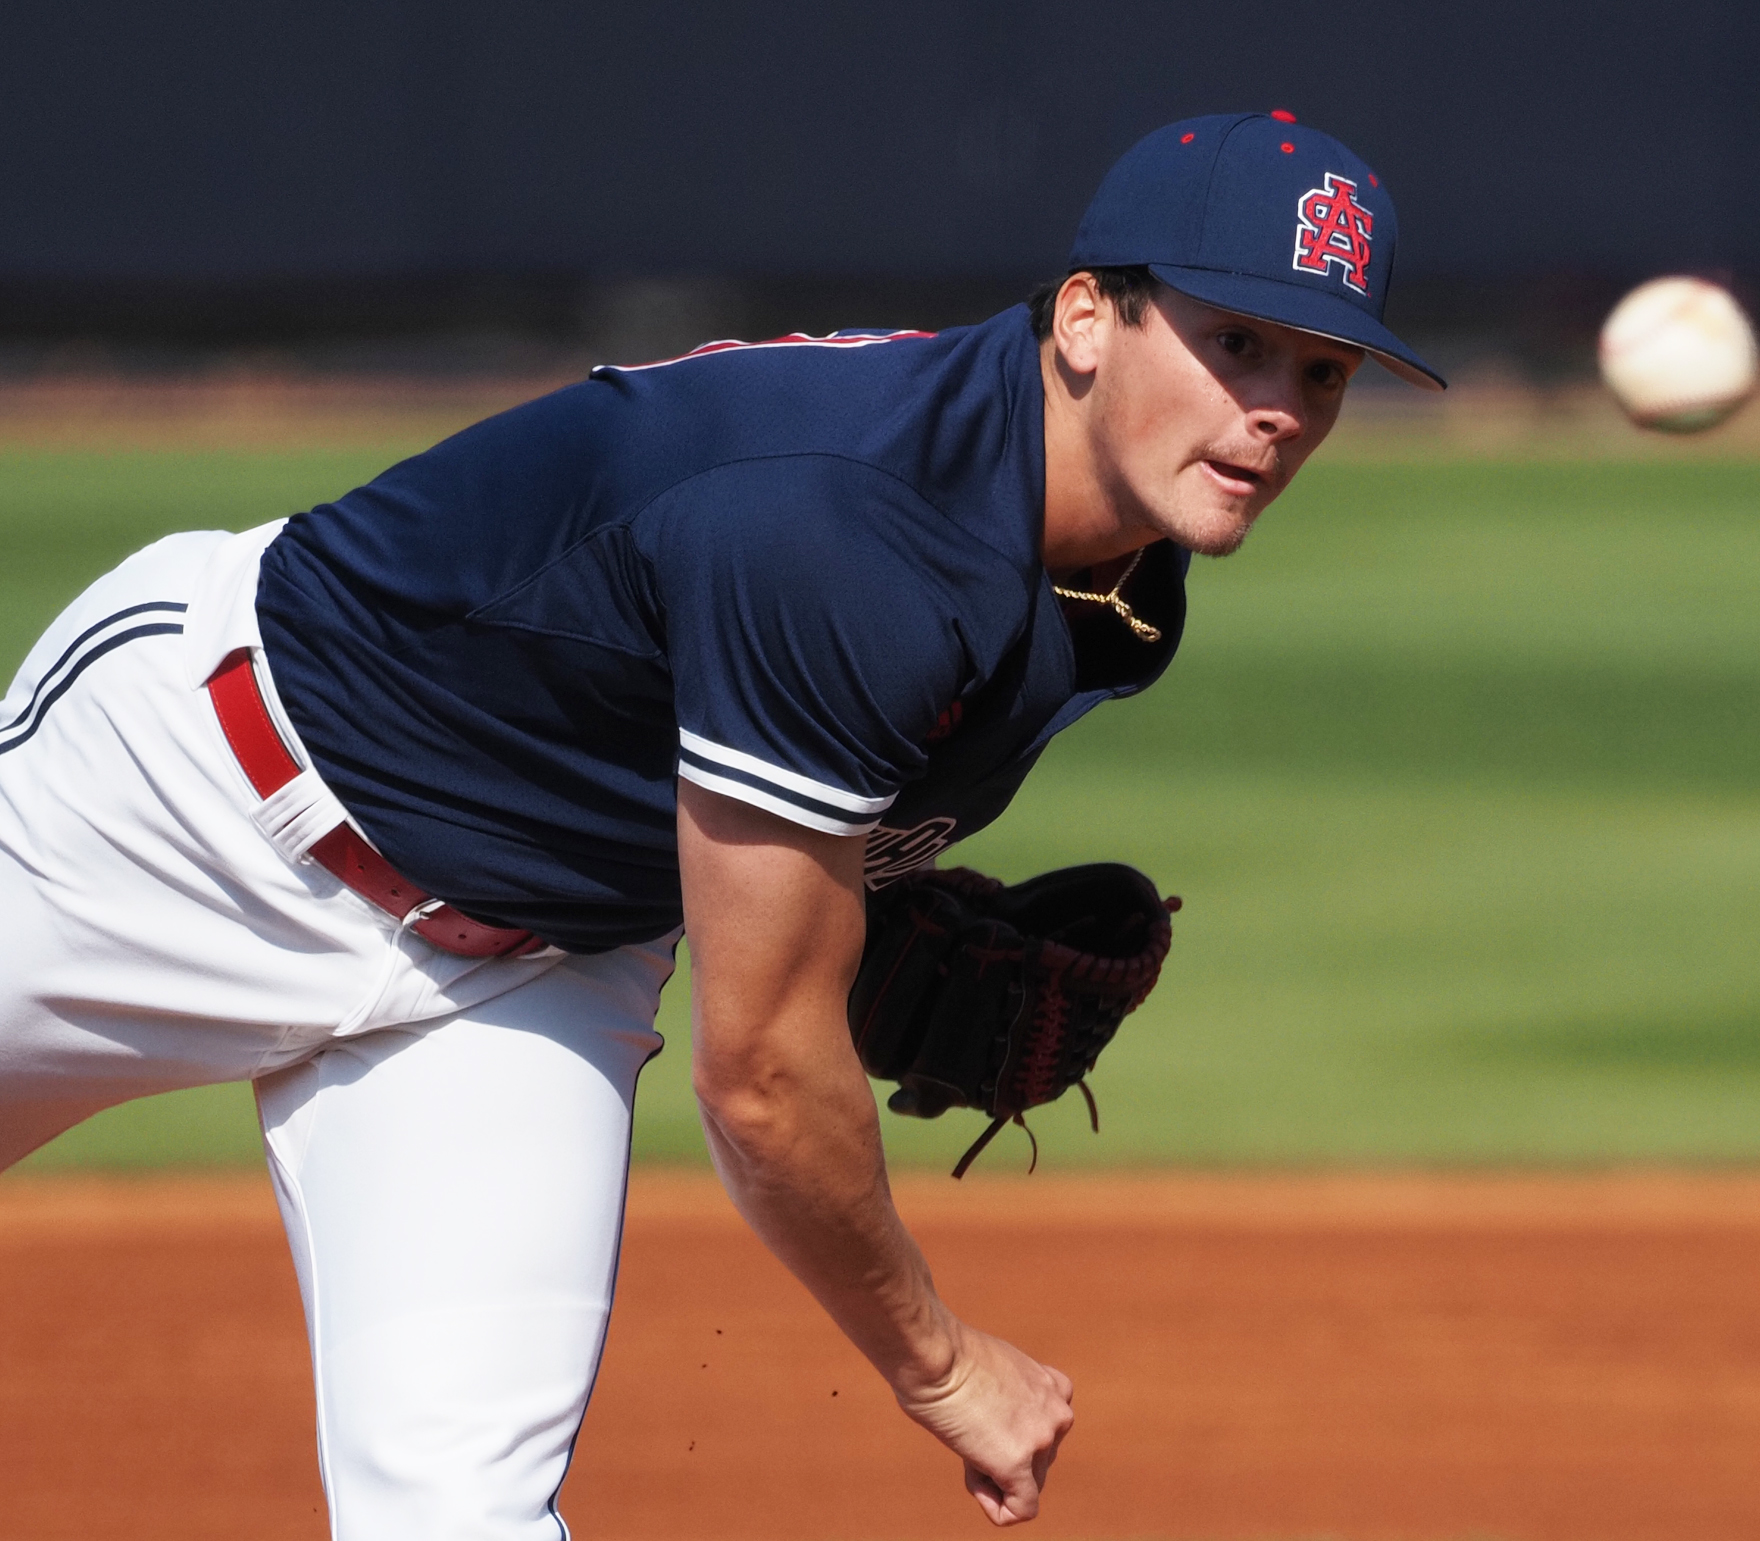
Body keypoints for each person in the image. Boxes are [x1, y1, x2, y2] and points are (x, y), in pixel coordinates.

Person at [0, 112, 1441, 1536]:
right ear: (1084, 319)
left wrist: (851, 911)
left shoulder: (1122, 588)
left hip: (523, 971)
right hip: (185, 802)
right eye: (1233, 342)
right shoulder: (852, 531)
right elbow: (758, 1076)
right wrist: (940, 1364)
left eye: (1322, 369)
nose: (1277, 410)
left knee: (460, 1514)